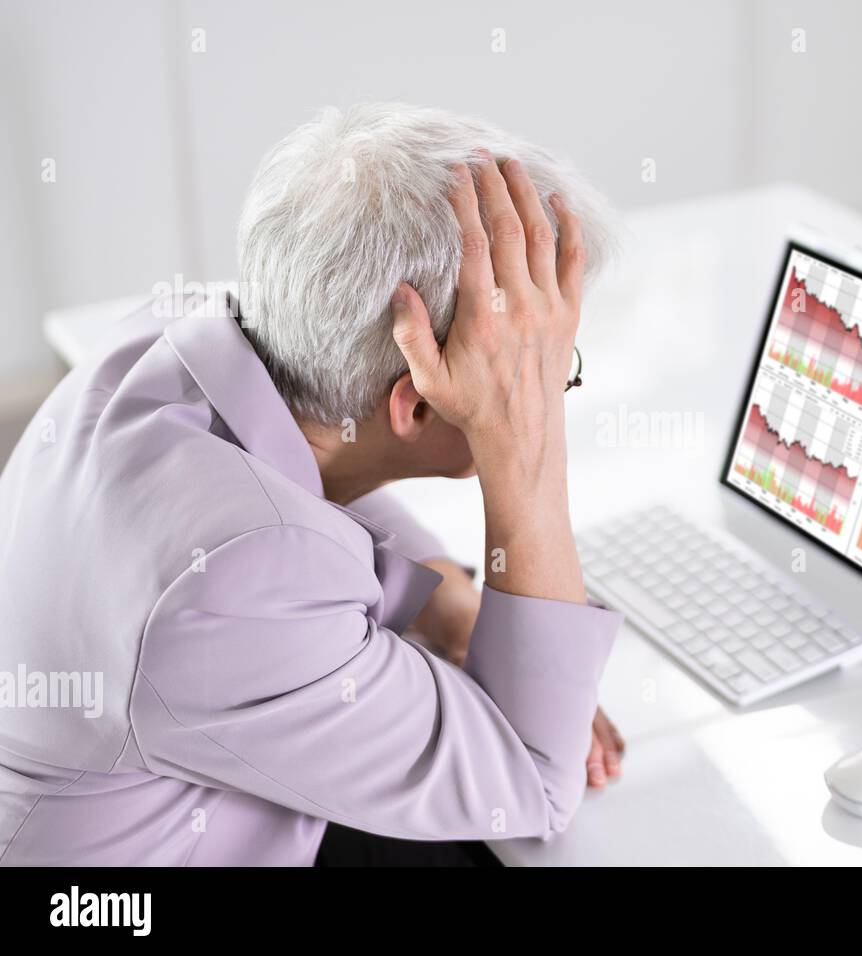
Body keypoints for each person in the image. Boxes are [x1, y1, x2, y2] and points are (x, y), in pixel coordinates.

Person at [0, 104, 624, 866]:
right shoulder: (235, 586)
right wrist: (527, 449)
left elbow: (305, 486)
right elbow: (531, 784)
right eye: (539, 368)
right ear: (418, 401)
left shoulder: (191, 333)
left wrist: (451, 594)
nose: (544, 388)